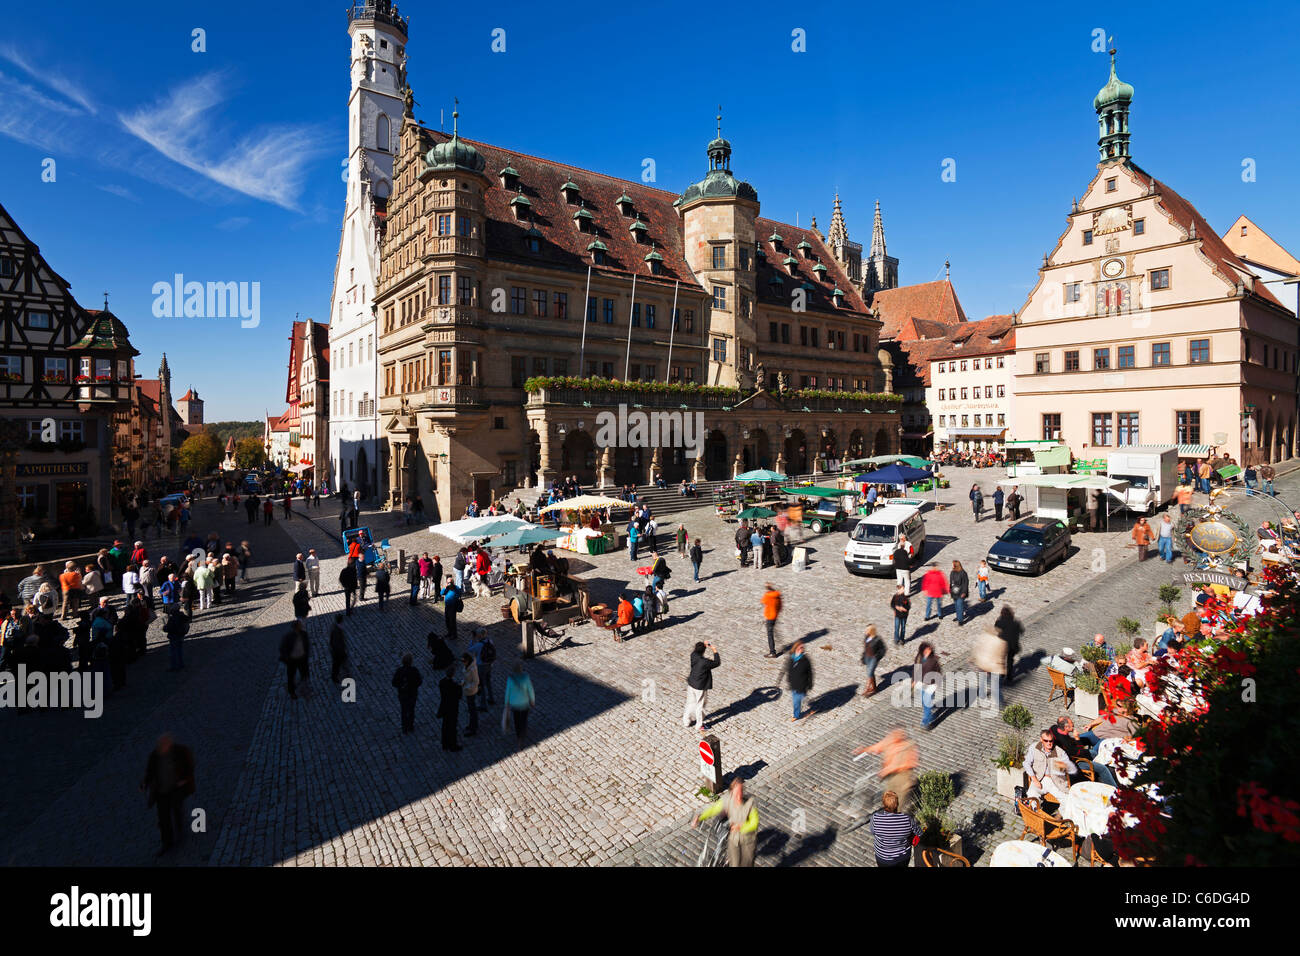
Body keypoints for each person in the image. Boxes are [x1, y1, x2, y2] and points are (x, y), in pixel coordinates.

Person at [140, 733, 196, 856]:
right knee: (163, 819)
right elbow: (149, 772)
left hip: (175, 790)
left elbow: (189, 766)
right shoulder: (155, 756)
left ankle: (180, 830)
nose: (162, 748)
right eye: (160, 746)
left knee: (177, 811)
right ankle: (167, 842)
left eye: (164, 746)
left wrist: (184, 780)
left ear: (169, 745)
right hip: (161, 792)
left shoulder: (180, 751)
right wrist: (145, 783)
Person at [691, 776, 759, 867]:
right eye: (736, 793)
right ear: (732, 792)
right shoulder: (727, 799)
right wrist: (700, 817)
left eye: (741, 792)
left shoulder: (750, 803)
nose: (739, 795)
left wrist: (741, 826)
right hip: (734, 840)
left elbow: (754, 823)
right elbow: (714, 809)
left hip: (748, 842)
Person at [856, 727, 920, 813]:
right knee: (888, 797)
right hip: (891, 775)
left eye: (899, 734)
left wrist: (886, 770)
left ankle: (895, 817)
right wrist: (863, 750)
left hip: (902, 776)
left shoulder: (908, 746)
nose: (895, 736)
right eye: (894, 733)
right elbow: (877, 747)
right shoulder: (890, 740)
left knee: (898, 800)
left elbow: (906, 763)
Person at [868, 791, 921, 868]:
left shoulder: (875, 818)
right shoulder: (907, 819)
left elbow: (873, 832)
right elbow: (919, 833)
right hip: (902, 857)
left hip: (882, 857)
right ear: (897, 804)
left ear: (884, 804)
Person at [1025, 727, 1075, 803]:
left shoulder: (1060, 752)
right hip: (1039, 779)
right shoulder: (1034, 747)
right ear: (1041, 739)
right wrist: (1034, 779)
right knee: (1031, 795)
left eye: (1051, 741)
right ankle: (1036, 813)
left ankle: (1061, 812)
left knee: (1067, 800)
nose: (1049, 743)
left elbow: (1068, 767)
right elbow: (1026, 763)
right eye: (1046, 741)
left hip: (1054, 781)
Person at [682, 640, 720, 732]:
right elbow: (717, 662)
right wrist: (714, 649)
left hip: (691, 683)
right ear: (703, 651)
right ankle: (699, 725)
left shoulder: (693, 655)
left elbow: (697, 650)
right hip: (700, 686)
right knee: (700, 705)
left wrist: (703, 645)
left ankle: (686, 721)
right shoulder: (705, 662)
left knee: (690, 703)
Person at [503, 662, 536, 741]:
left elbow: (508, 691)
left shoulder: (510, 679)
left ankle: (518, 735)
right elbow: (530, 690)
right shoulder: (525, 677)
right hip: (525, 703)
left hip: (515, 704)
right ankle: (523, 733)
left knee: (517, 720)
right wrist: (532, 700)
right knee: (524, 719)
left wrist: (506, 703)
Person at [392, 653, 423, 734]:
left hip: (402, 694)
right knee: (411, 710)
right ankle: (410, 726)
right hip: (412, 694)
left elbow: (394, 683)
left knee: (404, 710)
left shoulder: (399, 671)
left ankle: (404, 728)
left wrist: (401, 686)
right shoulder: (414, 670)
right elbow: (419, 682)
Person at [279, 618, 310, 699]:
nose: (302, 626)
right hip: (292, 660)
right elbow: (282, 648)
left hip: (302, 658)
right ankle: (292, 692)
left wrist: (306, 654)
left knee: (304, 674)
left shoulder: (304, 634)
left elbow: (307, 645)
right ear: (296, 627)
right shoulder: (289, 636)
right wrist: (287, 658)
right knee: (291, 677)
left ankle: (303, 689)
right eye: (300, 625)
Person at [914, 642, 941, 730]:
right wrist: (914, 680)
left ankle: (925, 723)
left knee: (926, 703)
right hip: (921, 684)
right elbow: (916, 670)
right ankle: (929, 713)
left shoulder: (934, 660)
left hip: (930, 685)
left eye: (930, 649)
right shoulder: (919, 658)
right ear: (923, 650)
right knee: (925, 702)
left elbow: (938, 672)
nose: (929, 650)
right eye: (927, 649)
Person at [468, 629, 496, 712]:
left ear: (479, 636)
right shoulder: (490, 641)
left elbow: (470, 649)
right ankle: (491, 698)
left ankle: (483, 705)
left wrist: (472, 639)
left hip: (481, 666)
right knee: (488, 682)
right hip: (489, 665)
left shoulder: (479, 645)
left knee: (481, 685)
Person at [786, 640, 814, 721]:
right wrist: (789, 679)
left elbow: (810, 673)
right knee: (800, 698)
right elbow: (789, 669)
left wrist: (810, 684)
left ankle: (796, 715)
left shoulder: (805, 660)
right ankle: (805, 700)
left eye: (803, 647)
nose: (802, 649)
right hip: (794, 684)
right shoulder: (792, 658)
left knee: (796, 701)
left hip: (801, 684)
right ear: (796, 648)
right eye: (800, 647)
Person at [437, 665, 463, 752]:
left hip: (444, 707)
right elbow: (459, 696)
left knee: (445, 726)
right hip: (452, 708)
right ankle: (453, 745)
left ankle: (444, 744)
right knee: (452, 727)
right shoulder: (455, 686)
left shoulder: (442, 682)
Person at [995, 605, 1023, 682]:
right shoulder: (1016, 622)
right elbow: (1022, 631)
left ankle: (1002, 673)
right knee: (1010, 660)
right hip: (1013, 645)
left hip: (1003, 645)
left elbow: (996, 629)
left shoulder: (1000, 621)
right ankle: (1009, 676)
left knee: (1002, 659)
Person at [861, 624, 886, 696]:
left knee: (869, 673)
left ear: (871, 630)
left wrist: (877, 657)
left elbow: (883, 649)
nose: (865, 631)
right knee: (871, 673)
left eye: (867, 630)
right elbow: (866, 647)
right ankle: (874, 688)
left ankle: (867, 689)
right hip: (867, 657)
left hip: (874, 658)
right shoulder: (866, 637)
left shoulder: (877, 639)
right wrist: (863, 657)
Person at [461, 652, 480, 737]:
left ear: (467, 660)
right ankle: (471, 725)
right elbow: (465, 678)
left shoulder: (473, 669)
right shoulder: (466, 666)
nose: (463, 663)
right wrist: (462, 683)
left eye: (464, 661)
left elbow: (476, 682)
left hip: (471, 692)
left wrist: (467, 687)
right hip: (467, 691)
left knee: (472, 710)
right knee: (470, 709)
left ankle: (473, 728)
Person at [761, 583, 782, 658]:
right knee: (771, 632)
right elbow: (780, 606)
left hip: (769, 617)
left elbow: (763, 601)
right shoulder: (778, 595)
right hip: (775, 616)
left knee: (770, 634)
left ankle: (772, 652)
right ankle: (772, 651)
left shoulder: (768, 595)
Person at [949, 560, 969, 626]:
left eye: (953, 565)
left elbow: (965, 583)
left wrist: (964, 592)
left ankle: (960, 620)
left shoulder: (963, 573)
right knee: (956, 606)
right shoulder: (952, 572)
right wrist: (950, 589)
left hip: (961, 592)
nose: (952, 566)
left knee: (960, 606)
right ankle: (958, 617)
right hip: (954, 592)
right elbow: (951, 582)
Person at [329, 615, 347, 684]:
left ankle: (338, 675)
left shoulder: (336, 627)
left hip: (337, 651)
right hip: (337, 652)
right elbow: (336, 642)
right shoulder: (336, 630)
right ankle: (334, 677)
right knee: (337, 664)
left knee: (338, 664)